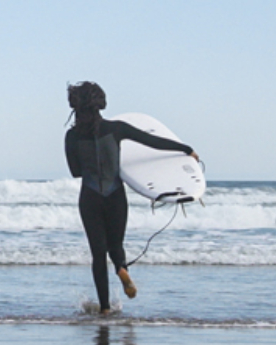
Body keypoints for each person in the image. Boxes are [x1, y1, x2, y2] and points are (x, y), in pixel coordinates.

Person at [64, 82, 198, 314]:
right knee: (116, 244)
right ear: (100, 103)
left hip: (90, 196)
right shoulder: (116, 128)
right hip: (114, 195)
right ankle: (121, 269)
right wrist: (186, 149)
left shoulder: (72, 136)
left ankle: (105, 308)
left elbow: (76, 171)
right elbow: (152, 141)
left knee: (98, 254)